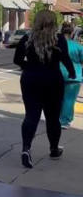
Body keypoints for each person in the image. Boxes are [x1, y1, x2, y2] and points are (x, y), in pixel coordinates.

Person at [14, 10, 75, 168]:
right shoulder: (58, 39)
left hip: (30, 80)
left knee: (31, 115)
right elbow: (65, 59)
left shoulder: (28, 38)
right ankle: (54, 149)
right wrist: (72, 73)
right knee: (53, 118)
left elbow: (17, 59)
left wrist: (30, 67)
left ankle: (26, 148)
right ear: (53, 23)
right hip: (52, 81)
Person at [60, 22, 83, 129]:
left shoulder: (55, 45)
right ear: (72, 32)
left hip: (58, 75)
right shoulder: (78, 46)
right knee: (69, 100)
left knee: (58, 98)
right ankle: (65, 121)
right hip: (74, 77)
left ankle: (57, 118)